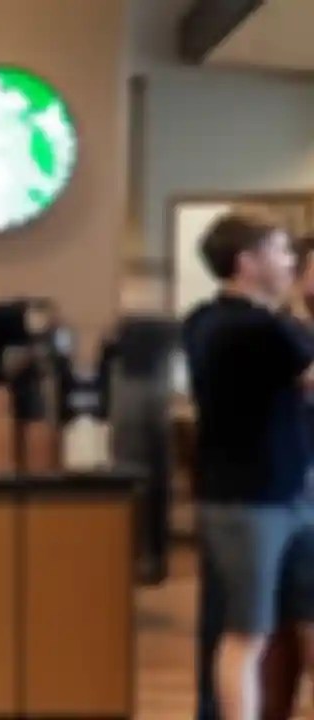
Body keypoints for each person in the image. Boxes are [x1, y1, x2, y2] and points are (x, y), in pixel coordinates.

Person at [184, 214, 314, 720]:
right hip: (252, 504)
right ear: (247, 262)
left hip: (283, 497)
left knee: (285, 626)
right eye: (282, 252)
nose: (290, 264)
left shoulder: (203, 321)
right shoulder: (262, 328)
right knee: (247, 635)